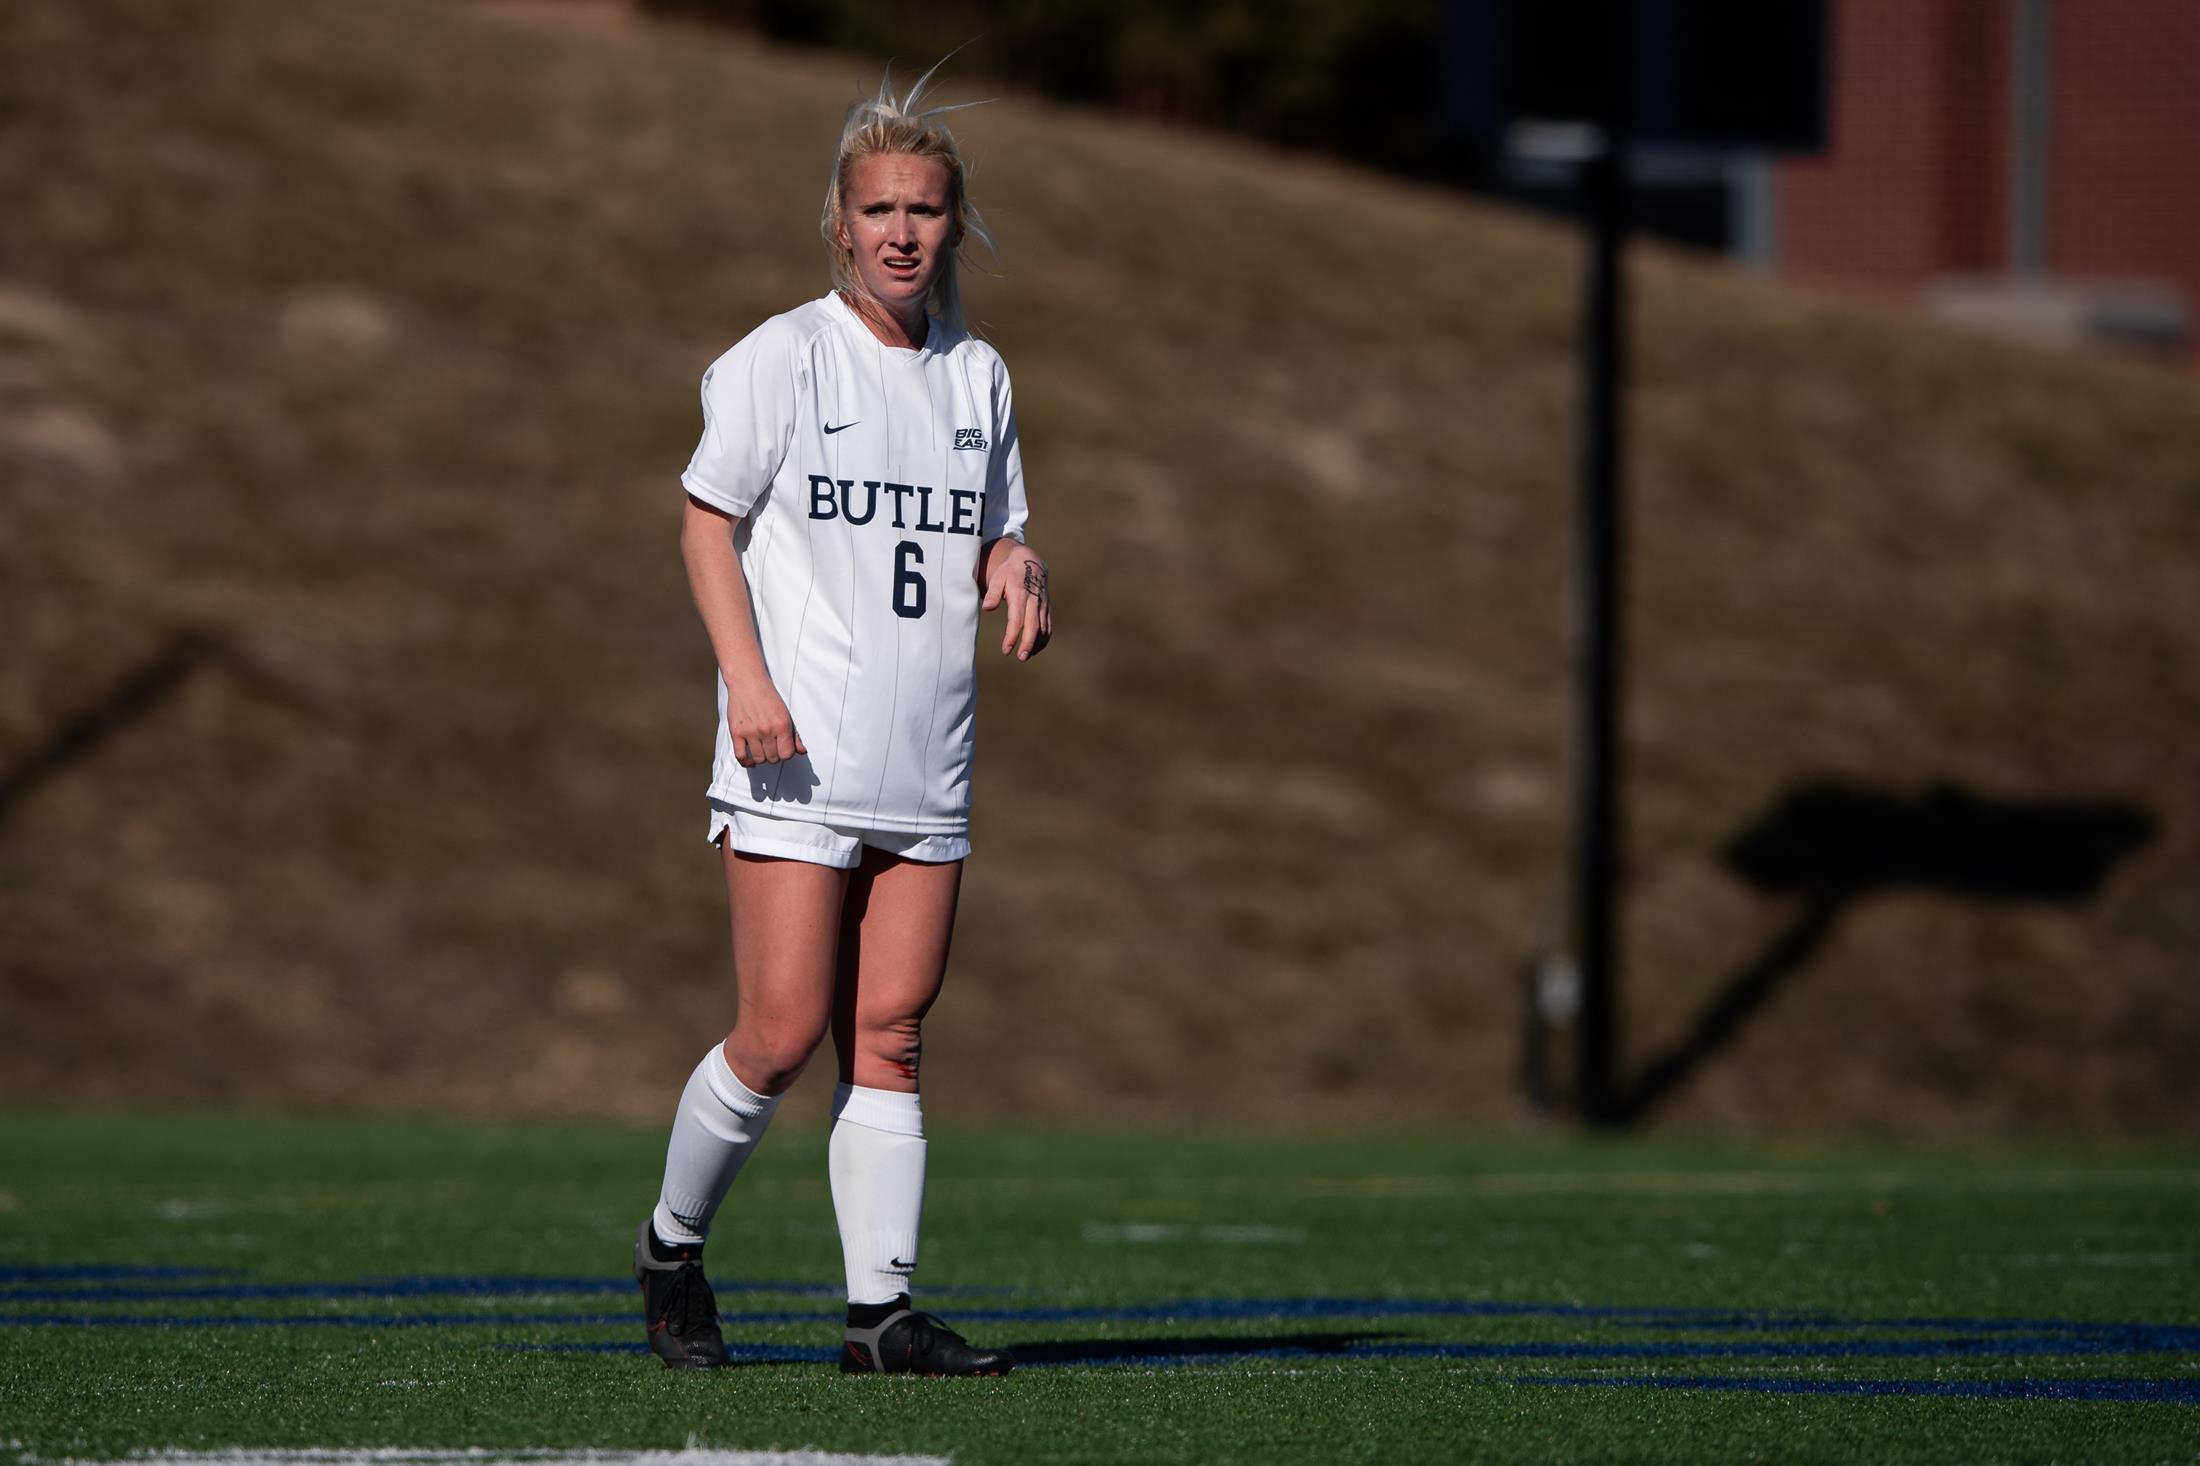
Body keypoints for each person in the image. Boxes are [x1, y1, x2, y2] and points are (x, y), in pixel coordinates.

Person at [632, 66, 1047, 1376]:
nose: (903, 232)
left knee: (894, 1030)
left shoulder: (980, 378)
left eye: (926, 209)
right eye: (880, 209)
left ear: (954, 222)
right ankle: (671, 1244)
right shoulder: (782, 358)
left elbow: (997, 529)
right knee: (781, 1026)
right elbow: (708, 524)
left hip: (927, 755)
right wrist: (746, 682)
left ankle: (881, 1316)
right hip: (795, 750)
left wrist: (1017, 564)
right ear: (840, 221)